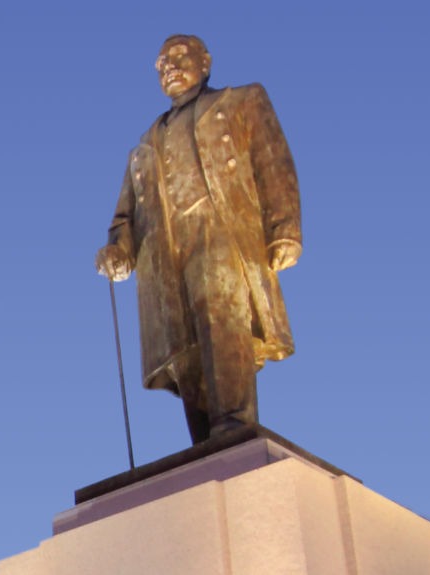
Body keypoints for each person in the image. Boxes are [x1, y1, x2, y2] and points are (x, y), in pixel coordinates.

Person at [95, 35, 302, 445]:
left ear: (205, 61)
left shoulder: (241, 101)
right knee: (183, 345)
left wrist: (284, 229)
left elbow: (272, 162)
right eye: (160, 64)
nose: (168, 67)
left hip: (221, 229)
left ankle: (234, 422)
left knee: (222, 318)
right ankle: (205, 439)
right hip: (165, 252)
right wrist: (118, 249)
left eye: (177, 57)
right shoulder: (144, 146)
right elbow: (126, 216)